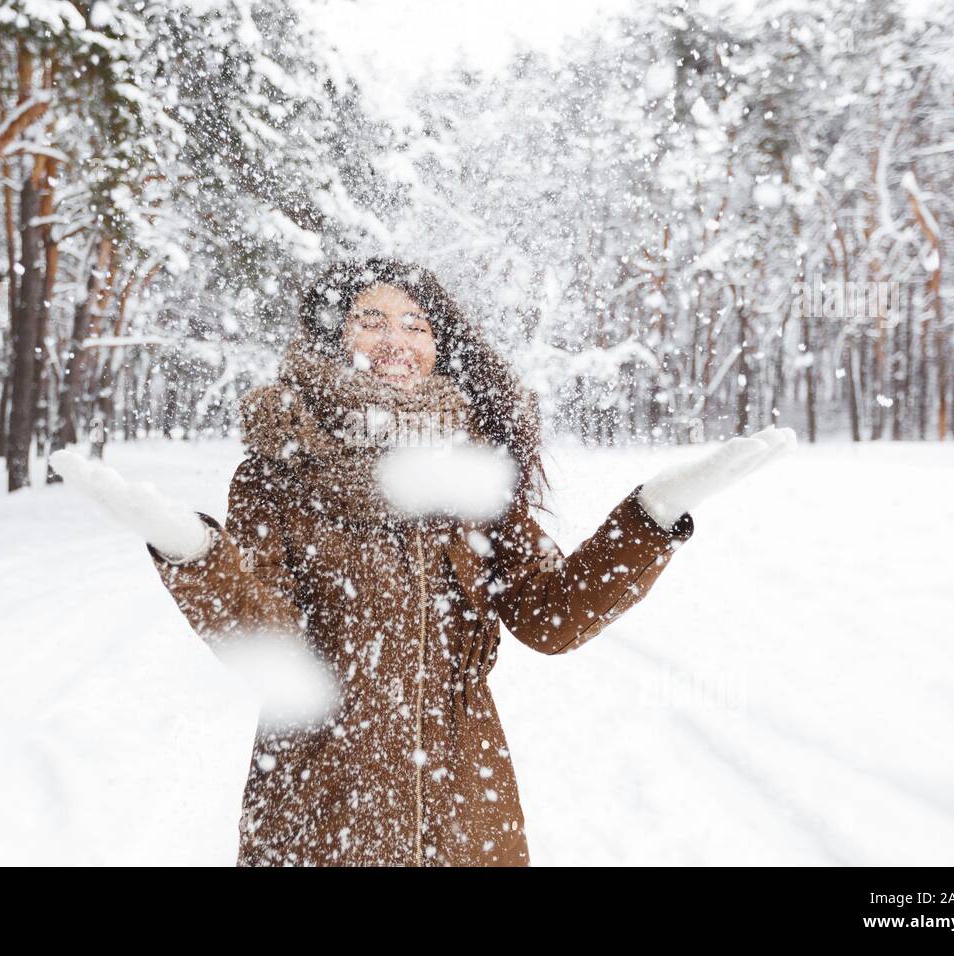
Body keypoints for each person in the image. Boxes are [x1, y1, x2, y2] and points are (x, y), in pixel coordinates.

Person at [50, 256, 795, 866]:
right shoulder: (278, 472)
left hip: (465, 816)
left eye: (415, 322)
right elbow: (265, 639)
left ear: (440, 346)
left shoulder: (471, 476)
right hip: (316, 813)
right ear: (329, 339)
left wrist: (649, 521)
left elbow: (551, 616)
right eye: (368, 319)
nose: (395, 338)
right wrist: (194, 555)